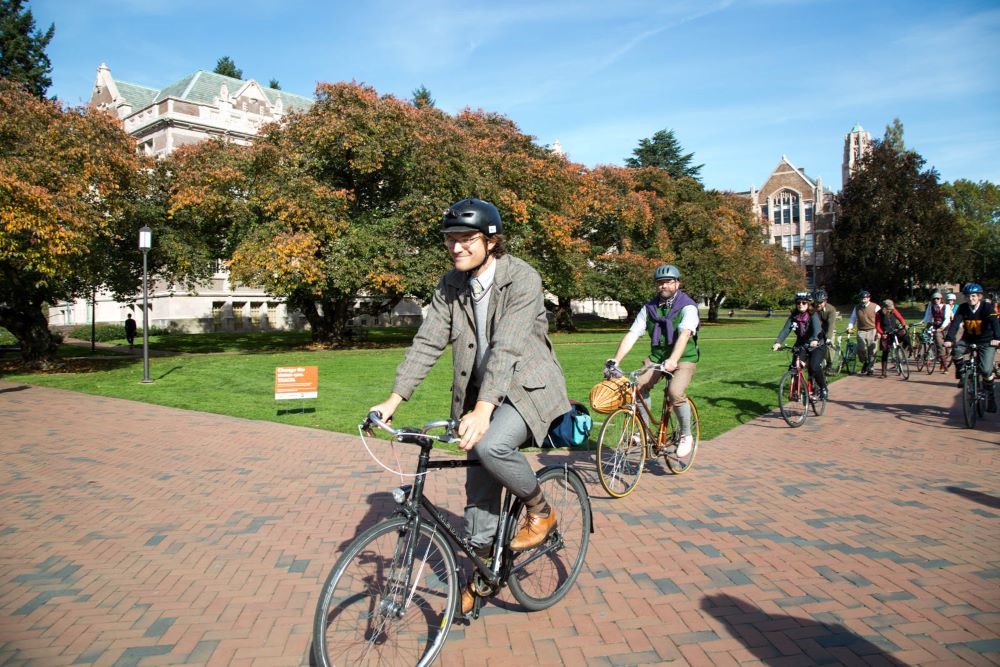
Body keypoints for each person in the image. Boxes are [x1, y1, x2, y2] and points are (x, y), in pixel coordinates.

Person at [368, 198, 569, 615]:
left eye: (466, 239)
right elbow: (427, 343)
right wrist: (393, 400)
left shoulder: (522, 278)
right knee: (478, 488)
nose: (456, 247)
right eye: (450, 239)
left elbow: (508, 346)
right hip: (481, 393)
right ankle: (483, 574)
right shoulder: (451, 285)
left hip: (527, 387)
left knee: (491, 446)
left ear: (491, 241)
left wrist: (483, 409)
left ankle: (540, 510)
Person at [606, 263, 699, 457]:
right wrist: (616, 360)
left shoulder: (688, 306)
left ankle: (686, 435)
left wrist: (673, 360)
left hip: (683, 357)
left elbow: (685, 334)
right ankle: (642, 433)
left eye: (668, 282)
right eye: (660, 282)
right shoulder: (649, 308)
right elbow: (633, 334)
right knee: (637, 387)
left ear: (677, 283)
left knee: (675, 392)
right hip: (658, 357)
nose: (663, 285)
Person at [944, 283, 1000, 410]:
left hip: (986, 341)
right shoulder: (963, 308)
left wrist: (997, 338)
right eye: (968, 296)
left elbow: (995, 323)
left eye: (974, 296)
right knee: (956, 350)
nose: (971, 298)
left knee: (986, 370)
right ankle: (961, 374)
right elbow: (955, 323)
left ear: (979, 296)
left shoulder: (987, 307)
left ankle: (991, 398)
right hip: (968, 340)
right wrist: (949, 339)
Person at [772, 291, 828, 398]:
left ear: (808, 304)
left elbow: (817, 329)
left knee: (814, 367)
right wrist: (778, 342)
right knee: (794, 366)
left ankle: (823, 388)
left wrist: (815, 339)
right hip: (802, 344)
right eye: (798, 303)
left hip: (817, 344)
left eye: (804, 303)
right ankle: (795, 392)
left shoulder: (813, 315)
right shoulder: (794, 316)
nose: (800, 305)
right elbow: (785, 330)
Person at [847, 290, 880, 375]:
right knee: (861, 349)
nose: (863, 300)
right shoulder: (857, 308)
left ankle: (871, 367)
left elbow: (880, 319)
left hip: (873, 330)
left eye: (865, 298)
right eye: (861, 298)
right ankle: (865, 362)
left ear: (869, 298)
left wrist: (879, 331)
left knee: (872, 350)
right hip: (861, 330)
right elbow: (853, 318)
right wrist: (850, 327)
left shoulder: (875, 307)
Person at [875, 298, 909, 378]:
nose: (890, 310)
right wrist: (882, 333)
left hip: (894, 329)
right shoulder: (878, 314)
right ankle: (884, 372)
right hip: (885, 332)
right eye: (889, 308)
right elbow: (877, 326)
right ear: (884, 308)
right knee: (885, 351)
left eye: (891, 308)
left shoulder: (893, 310)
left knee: (906, 337)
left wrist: (904, 325)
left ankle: (902, 352)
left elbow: (900, 318)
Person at [920, 291, 952, 365]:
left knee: (948, 348)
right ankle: (943, 362)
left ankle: (945, 356)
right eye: (934, 299)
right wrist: (923, 322)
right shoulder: (931, 307)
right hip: (937, 328)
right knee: (939, 344)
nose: (936, 300)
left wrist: (942, 327)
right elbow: (928, 317)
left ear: (941, 299)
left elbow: (947, 319)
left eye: (938, 298)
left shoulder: (946, 306)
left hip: (946, 328)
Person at [812, 290, 838, 373]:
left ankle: (829, 364)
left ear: (825, 301)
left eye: (820, 302)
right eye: (816, 302)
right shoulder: (812, 308)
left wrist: (829, 338)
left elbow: (831, 325)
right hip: (818, 329)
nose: (818, 304)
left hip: (829, 329)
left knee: (828, 346)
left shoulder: (831, 309)